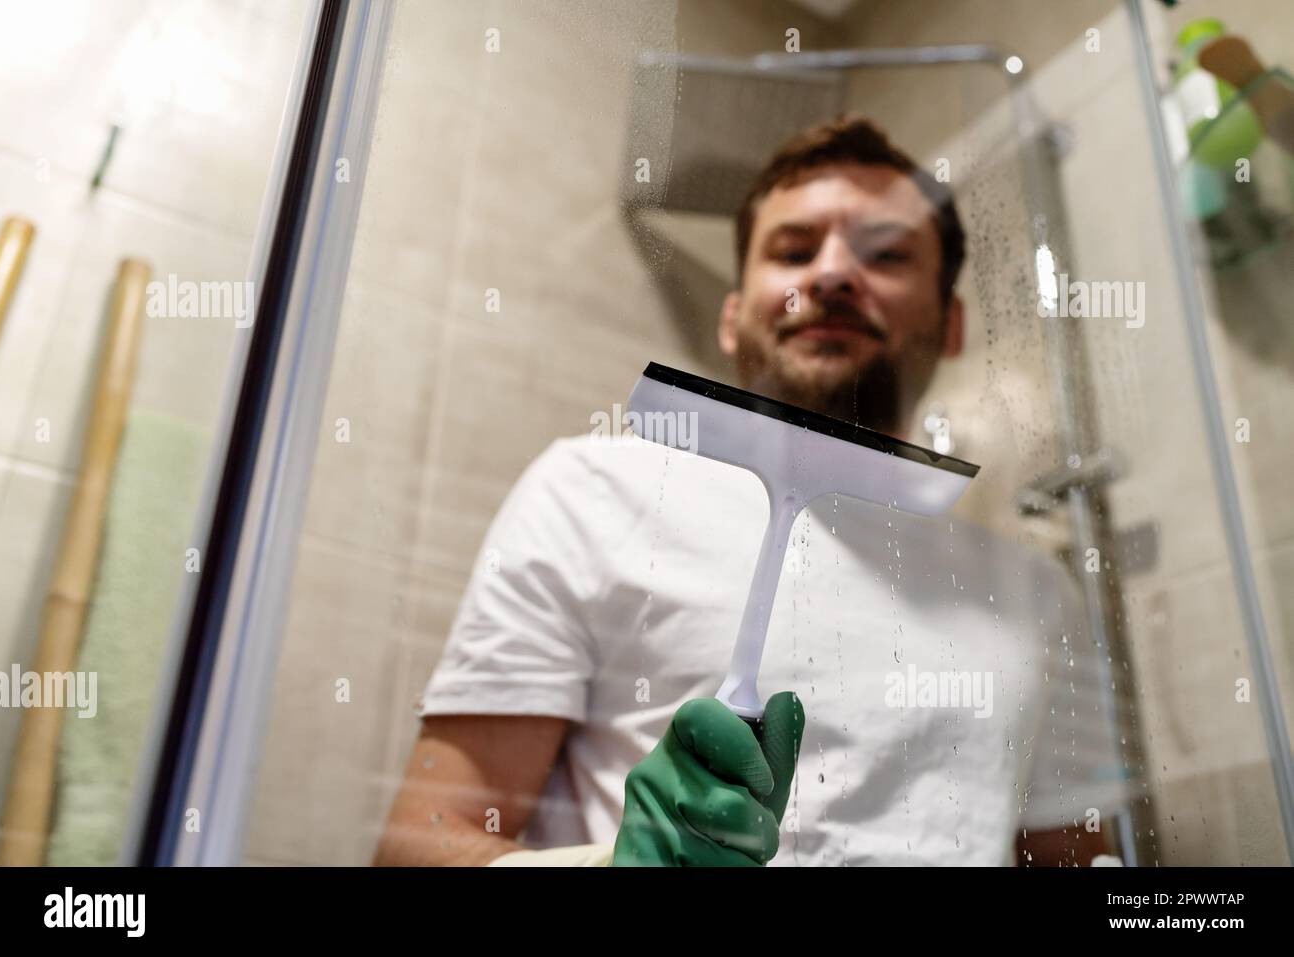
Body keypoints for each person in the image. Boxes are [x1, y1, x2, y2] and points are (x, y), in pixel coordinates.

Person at [374, 114, 1129, 867]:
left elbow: (1070, 859)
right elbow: (417, 848)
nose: (832, 275)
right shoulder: (589, 491)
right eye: (794, 251)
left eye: (886, 254)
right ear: (733, 317)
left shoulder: (1034, 589)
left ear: (952, 323)